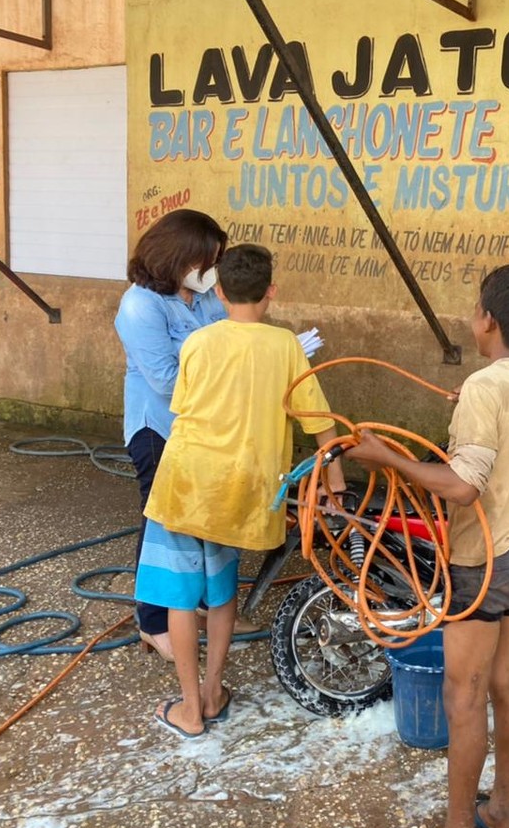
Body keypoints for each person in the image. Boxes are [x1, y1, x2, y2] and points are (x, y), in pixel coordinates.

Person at [347, 263, 509, 828]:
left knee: (463, 697)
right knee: (506, 683)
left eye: (475, 308)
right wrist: (487, 417)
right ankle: (503, 813)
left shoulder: (484, 386)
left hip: (487, 560)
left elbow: (463, 488)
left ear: (488, 320)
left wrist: (382, 455)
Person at [137, 242, 346, 737]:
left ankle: (189, 710)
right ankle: (213, 692)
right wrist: (334, 481)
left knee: (180, 600)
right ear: (270, 292)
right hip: (242, 491)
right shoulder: (287, 347)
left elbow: (183, 403)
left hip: (186, 486)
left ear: (221, 291)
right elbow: (320, 421)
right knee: (223, 594)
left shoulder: (198, 343)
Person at [114, 209, 257, 660]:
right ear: (179, 257)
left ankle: (195, 603)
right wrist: (229, 379)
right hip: (158, 429)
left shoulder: (205, 299)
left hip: (205, 428)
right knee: (163, 523)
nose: (211, 271)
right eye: (206, 261)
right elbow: (165, 380)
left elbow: (236, 339)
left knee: (204, 515)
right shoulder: (140, 305)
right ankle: (153, 621)